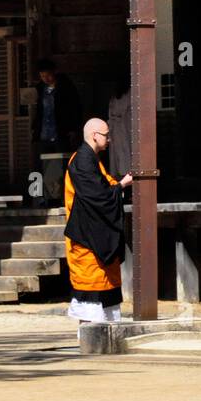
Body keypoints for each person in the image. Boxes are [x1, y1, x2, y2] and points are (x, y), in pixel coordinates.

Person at [64, 118, 133, 324]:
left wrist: (117, 186)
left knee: (106, 290)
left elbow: (103, 187)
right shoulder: (82, 161)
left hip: (96, 237)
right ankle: (89, 336)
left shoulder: (92, 159)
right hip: (87, 238)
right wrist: (121, 186)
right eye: (106, 134)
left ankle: (105, 337)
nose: (109, 139)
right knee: (89, 292)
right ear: (95, 135)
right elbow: (98, 197)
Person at [31, 58, 83, 206]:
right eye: (42, 76)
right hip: (43, 132)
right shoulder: (40, 88)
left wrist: (73, 128)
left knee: (64, 164)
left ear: (54, 72)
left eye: (47, 75)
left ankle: (65, 197)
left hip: (61, 131)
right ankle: (37, 198)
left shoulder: (66, 86)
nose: (45, 79)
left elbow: (75, 108)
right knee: (38, 165)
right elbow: (39, 111)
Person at [107, 76, 133, 181]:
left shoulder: (116, 97)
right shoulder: (127, 95)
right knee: (123, 158)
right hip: (121, 129)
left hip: (120, 129)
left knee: (120, 158)